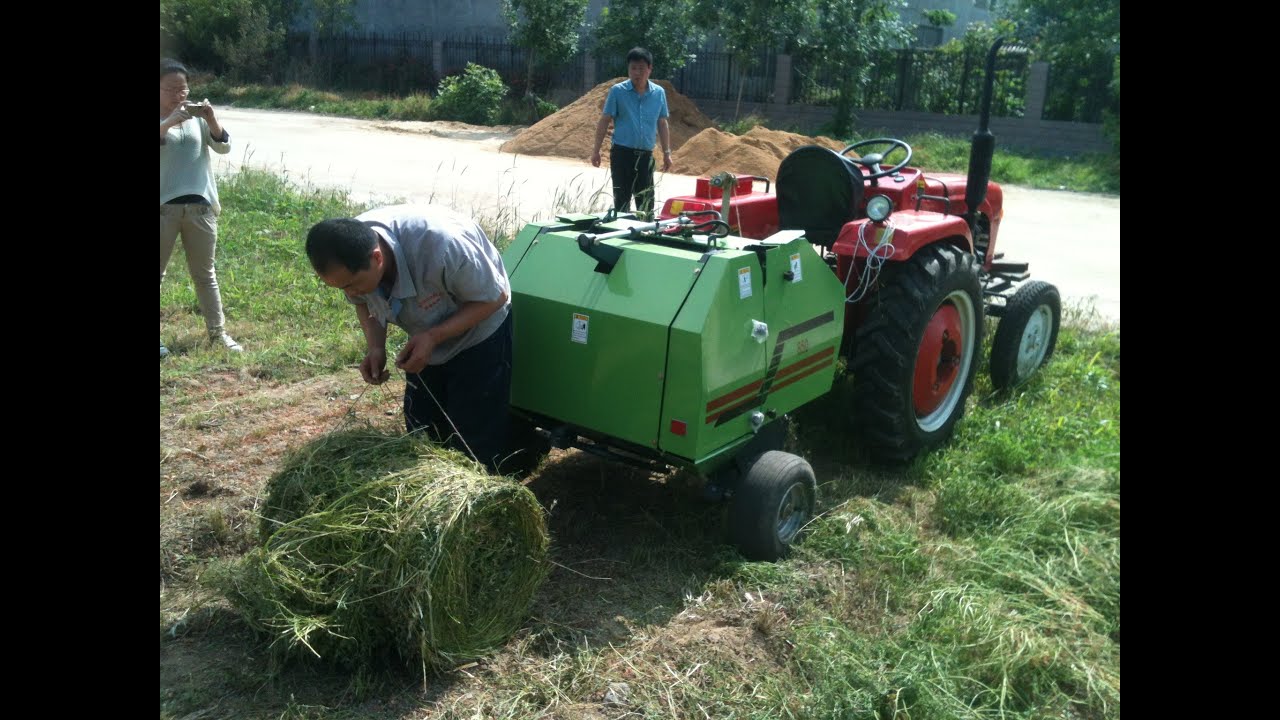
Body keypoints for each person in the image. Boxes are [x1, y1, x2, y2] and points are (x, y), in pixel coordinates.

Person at [305, 205, 513, 473]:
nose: (350, 292)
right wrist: (376, 347)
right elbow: (363, 302)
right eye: (342, 288)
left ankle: (480, 498)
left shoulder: (443, 246)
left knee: (473, 430)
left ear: (377, 258)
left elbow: (494, 297)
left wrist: (434, 335)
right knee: (423, 428)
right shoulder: (349, 251)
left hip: (479, 327)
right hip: (424, 330)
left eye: (351, 284)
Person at [160, 58, 241, 357]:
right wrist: (169, 121)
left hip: (199, 208)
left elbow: (223, 146)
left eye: (183, 89)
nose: (179, 95)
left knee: (205, 274)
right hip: (163, 210)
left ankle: (218, 334)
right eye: (171, 89)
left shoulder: (195, 119)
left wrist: (210, 119)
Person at [590, 47, 673, 215]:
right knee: (621, 201)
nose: (637, 73)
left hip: (645, 156)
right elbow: (605, 120)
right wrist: (596, 151)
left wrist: (667, 153)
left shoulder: (659, 93)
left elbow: (662, 123)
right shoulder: (618, 92)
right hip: (622, 154)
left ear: (650, 69)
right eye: (633, 68)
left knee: (646, 203)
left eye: (641, 68)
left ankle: (645, 236)